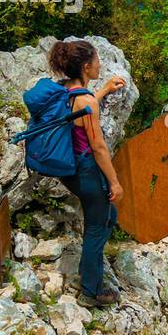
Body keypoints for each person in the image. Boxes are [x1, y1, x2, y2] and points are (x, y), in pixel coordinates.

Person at [47, 39, 126, 307]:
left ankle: (88, 270)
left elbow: (80, 112)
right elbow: (99, 146)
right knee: (96, 226)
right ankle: (91, 292)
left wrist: (102, 91)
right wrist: (114, 181)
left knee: (108, 215)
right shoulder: (86, 100)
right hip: (86, 169)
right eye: (96, 60)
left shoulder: (64, 90)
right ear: (85, 65)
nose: (99, 64)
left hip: (67, 169)